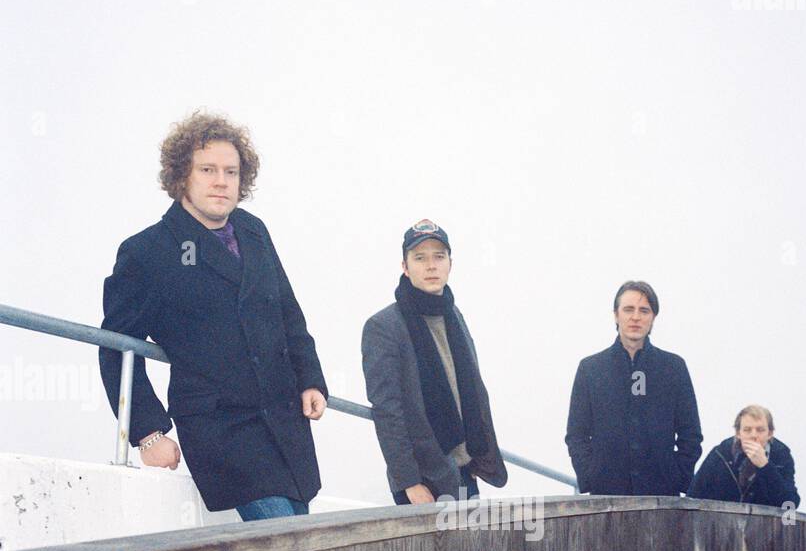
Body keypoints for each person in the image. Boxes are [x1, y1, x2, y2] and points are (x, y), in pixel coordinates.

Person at [99, 110, 328, 521]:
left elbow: (287, 313)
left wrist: (310, 377)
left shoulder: (254, 231)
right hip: (223, 432)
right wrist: (149, 434)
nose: (221, 181)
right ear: (181, 175)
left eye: (231, 171)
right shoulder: (146, 252)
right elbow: (115, 347)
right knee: (285, 542)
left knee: (297, 547)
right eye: (207, 169)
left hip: (283, 423)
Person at [361, 219, 507, 505]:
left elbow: (473, 390)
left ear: (450, 264)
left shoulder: (454, 316)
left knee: (472, 550)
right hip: (424, 480)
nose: (431, 265)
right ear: (405, 266)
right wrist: (409, 482)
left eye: (439, 256)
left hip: (465, 472)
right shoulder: (383, 326)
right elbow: (388, 413)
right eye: (420, 258)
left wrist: (480, 455)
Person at [565, 280, 702, 495]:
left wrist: (677, 476)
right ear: (616, 315)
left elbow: (691, 434)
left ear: (653, 317)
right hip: (606, 497)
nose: (636, 317)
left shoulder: (673, 368)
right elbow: (576, 433)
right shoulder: (591, 369)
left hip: (662, 498)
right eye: (628, 309)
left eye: (644, 310)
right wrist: (590, 476)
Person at [688, 404, 800, 508]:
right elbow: (693, 495)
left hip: (764, 527)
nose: (753, 435)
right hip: (721, 526)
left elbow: (790, 504)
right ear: (738, 433)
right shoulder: (720, 454)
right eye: (747, 430)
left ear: (770, 434)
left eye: (760, 430)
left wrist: (765, 467)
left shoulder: (781, 456)